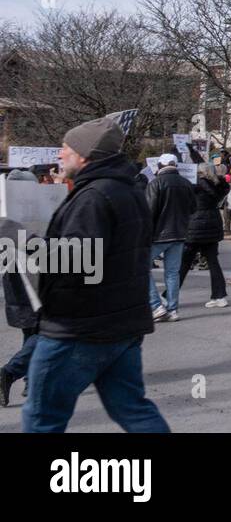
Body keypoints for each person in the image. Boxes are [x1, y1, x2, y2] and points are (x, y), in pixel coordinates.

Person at [23, 116, 169, 432]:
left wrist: (25, 246)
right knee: (135, 411)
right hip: (121, 326)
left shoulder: (93, 197)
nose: (60, 155)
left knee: (42, 418)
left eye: (65, 148)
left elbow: (75, 263)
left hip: (79, 329)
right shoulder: (127, 191)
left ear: (85, 155)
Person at [145, 152, 196, 322]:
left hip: (158, 235)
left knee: (140, 268)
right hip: (180, 234)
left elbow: (149, 211)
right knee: (172, 273)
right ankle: (172, 309)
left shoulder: (156, 183)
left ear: (159, 166)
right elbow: (193, 208)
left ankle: (156, 305)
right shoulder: (187, 183)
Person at [178, 163, 229, 308]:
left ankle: (169, 294)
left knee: (184, 263)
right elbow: (224, 187)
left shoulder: (196, 185)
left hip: (195, 225)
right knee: (213, 262)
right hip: (212, 224)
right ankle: (219, 295)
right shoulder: (218, 185)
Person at [1, 216, 38, 407]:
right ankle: (9, 372)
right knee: (44, 333)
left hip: (16, 288)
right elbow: (37, 246)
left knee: (32, 332)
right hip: (28, 287)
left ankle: (31, 381)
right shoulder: (6, 225)